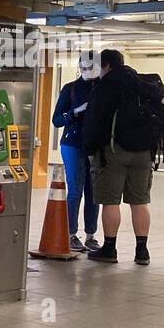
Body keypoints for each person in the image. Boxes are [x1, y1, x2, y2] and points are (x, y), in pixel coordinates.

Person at [82, 48, 164, 265]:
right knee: (140, 202)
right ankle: (142, 251)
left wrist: (90, 150)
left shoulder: (105, 86)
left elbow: (94, 122)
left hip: (113, 152)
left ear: (107, 65)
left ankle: (109, 249)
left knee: (110, 202)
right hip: (144, 152)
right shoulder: (143, 84)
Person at [51, 55, 101, 251]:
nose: (86, 71)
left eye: (90, 67)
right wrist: (75, 112)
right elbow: (56, 120)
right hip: (73, 144)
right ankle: (70, 233)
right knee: (75, 190)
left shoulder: (102, 88)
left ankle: (91, 235)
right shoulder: (70, 89)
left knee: (93, 192)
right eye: (83, 67)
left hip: (95, 145)